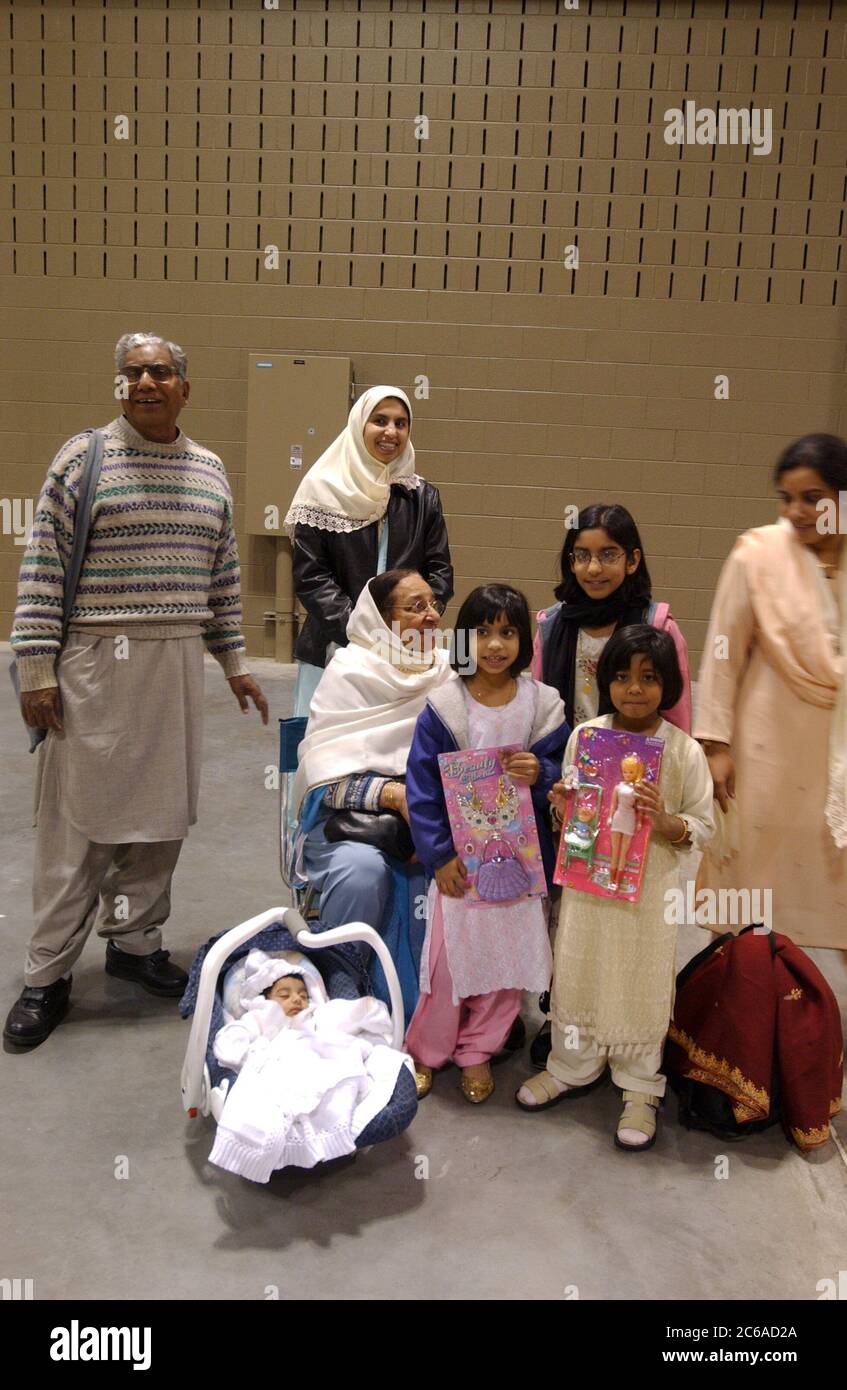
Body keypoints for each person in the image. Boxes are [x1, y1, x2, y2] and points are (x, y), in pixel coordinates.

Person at [4, 332, 268, 1049]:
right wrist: (35, 668)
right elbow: (42, 569)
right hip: (93, 662)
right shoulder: (82, 458)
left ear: (186, 386)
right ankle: (46, 976)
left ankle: (134, 943)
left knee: (159, 824)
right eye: (132, 373)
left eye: (159, 372)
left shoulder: (210, 470)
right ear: (119, 386)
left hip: (175, 664)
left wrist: (234, 661)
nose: (145, 382)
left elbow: (221, 577)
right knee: (77, 831)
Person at [516, 625, 715, 1152]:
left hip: (649, 894)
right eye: (623, 676)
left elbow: (704, 825)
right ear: (606, 681)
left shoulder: (683, 751)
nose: (634, 689)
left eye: (649, 678)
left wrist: (667, 821)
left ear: (668, 684)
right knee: (580, 967)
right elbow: (574, 816)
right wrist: (562, 802)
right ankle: (570, 1065)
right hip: (588, 887)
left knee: (640, 978)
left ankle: (640, 1086)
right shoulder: (588, 738)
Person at [528, 502, 692, 1066]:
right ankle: (566, 1015)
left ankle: (631, 1032)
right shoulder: (550, 626)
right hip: (569, 787)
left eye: (608, 555)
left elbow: (679, 720)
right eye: (582, 556)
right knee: (566, 908)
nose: (594, 568)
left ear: (633, 559)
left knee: (628, 913)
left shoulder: (659, 624)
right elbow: (540, 715)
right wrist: (554, 784)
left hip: (633, 801)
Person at [404, 584, 569, 1104]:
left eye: (508, 631)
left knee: (507, 965)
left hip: (521, 865)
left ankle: (478, 1051)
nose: (495, 644)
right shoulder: (445, 706)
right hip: (460, 867)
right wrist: (438, 856)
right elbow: (422, 788)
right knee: (446, 966)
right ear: (463, 638)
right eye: (482, 631)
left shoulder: (542, 705)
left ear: (525, 640)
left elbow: (569, 774)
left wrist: (541, 771)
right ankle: (426, 1051)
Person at [695, 433, 847, 950]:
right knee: (747, 881)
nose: (797, 511)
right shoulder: (757, 554)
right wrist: (715, 746)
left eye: (812, 498)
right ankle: (725, 1006)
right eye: (786, 498)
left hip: (835, 754)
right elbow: (723, 652)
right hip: (763, 751)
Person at [292, 569, 453, 1015]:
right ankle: (345, 982)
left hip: (431, 817)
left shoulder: (445, 672)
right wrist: (392, 797)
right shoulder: (349, 672)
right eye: (415, 607)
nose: (431, 617)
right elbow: (324, 781)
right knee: (363, 872)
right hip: (349, 824)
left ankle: (453, 1007)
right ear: (380, 620)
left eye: (433, 605)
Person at [284, 385, 453, 716]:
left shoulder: (422, 497)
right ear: (360, 424)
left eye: (401, 423)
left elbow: (440, 573)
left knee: (394, 751)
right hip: (334, 644)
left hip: (408, 652)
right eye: (380, 420)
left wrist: (414, 622)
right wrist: (362, 631)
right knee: (326, 751)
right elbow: (311, 577)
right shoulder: (321, 490)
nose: (391, 432)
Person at [209, 950, 412, 1181]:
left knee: (336, 1085)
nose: (296, 1000)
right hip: (279, 1068)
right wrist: (244, 1050)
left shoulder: (318, 1014)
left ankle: (330, 1127)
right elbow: (231, 1040)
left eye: (303, 995)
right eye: (284, 995)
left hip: (319, 1063)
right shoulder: (262, 1016)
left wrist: (366, 1010)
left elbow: (355, 1013)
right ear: (264, 999)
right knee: (266, 1093)